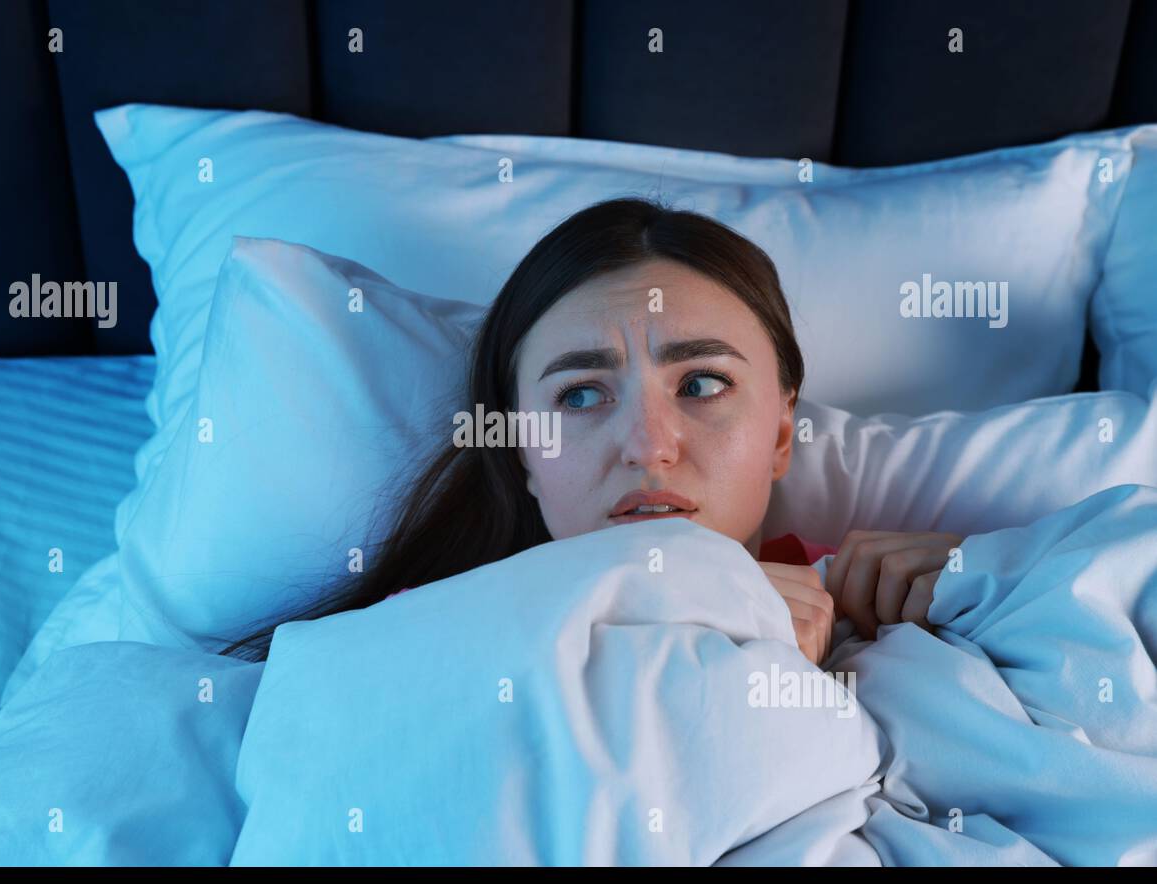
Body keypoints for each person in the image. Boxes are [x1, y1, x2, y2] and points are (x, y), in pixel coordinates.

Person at [220, 197, 960, 665]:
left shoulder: (889, 603)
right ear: (523, 457)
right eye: (579, 396)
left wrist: (994, 586)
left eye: (702, 384)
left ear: (778, 436)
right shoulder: (417, 636)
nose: (647, 444)